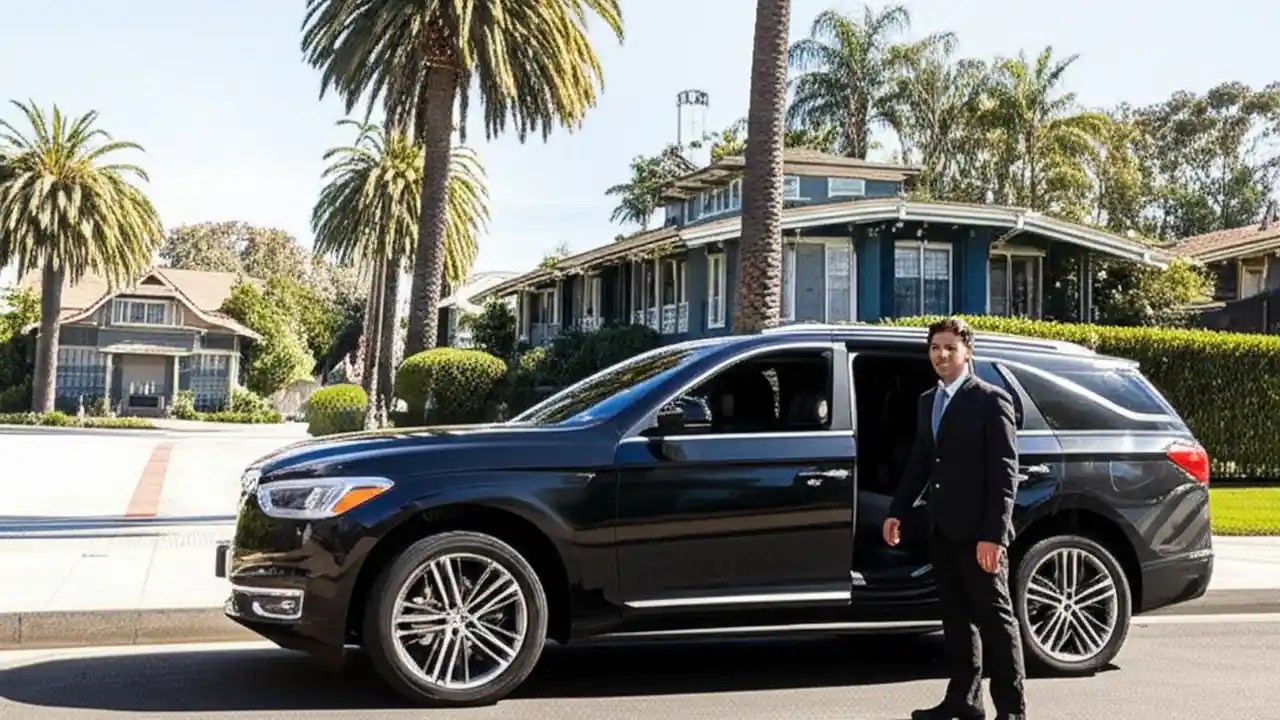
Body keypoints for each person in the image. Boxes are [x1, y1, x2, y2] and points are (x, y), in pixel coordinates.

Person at [883, 316, 1027, 720]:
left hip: (980, 533)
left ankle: (1012, 711)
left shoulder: (990, 399)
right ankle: (964, 701)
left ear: (967, 351)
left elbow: (1004, 473)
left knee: (997, 623)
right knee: (956, 620)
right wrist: (898, 511)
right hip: (943, 529)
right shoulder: (928, 401)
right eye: (934, 348)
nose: (941, 355)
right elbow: (922, 461)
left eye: (949, 347)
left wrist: (994, 536)